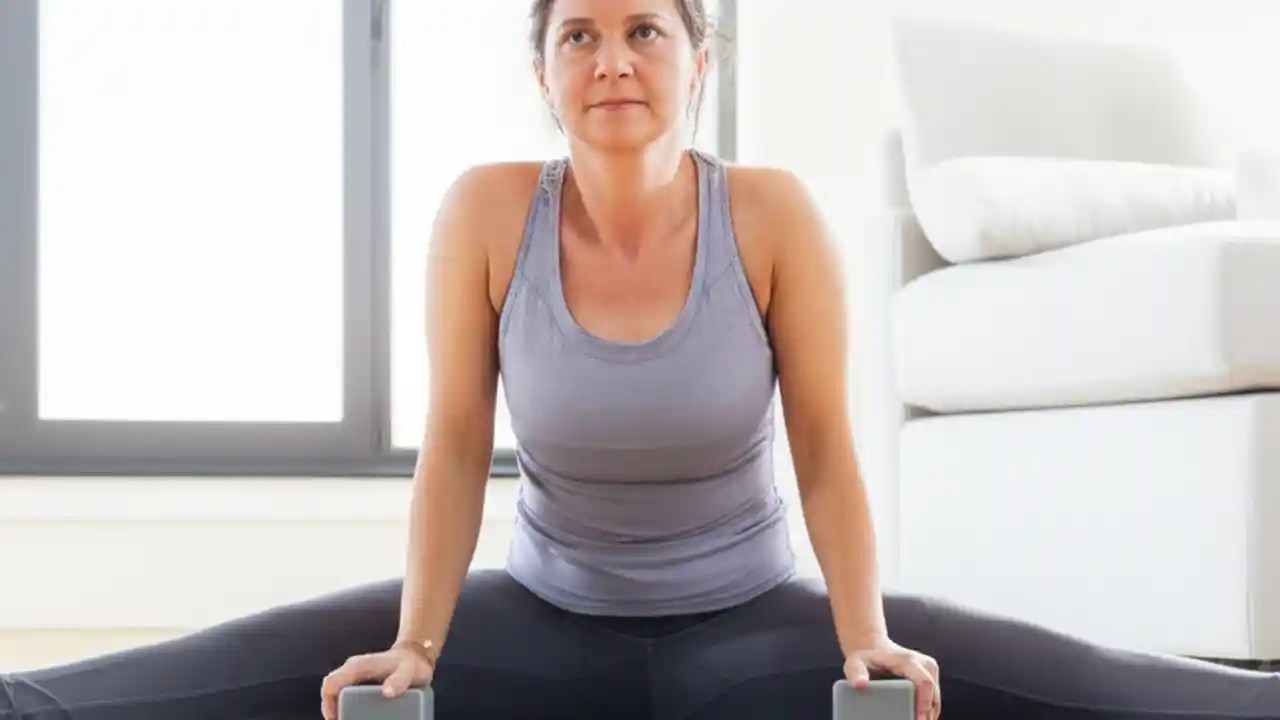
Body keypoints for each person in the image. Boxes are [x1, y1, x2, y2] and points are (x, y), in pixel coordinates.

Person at [3, 0, 1279, 718]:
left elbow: (826, 448)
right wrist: (419, 644)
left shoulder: (769, 215)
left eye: (644, 30)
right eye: (578, 35)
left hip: (755, 627)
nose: (611, 57)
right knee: (213, 676)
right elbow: (453, 444)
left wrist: (862, 635)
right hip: (540, 620)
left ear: (697, 62)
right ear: (544, 73)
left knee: (1083, 687)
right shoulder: (488, 211)